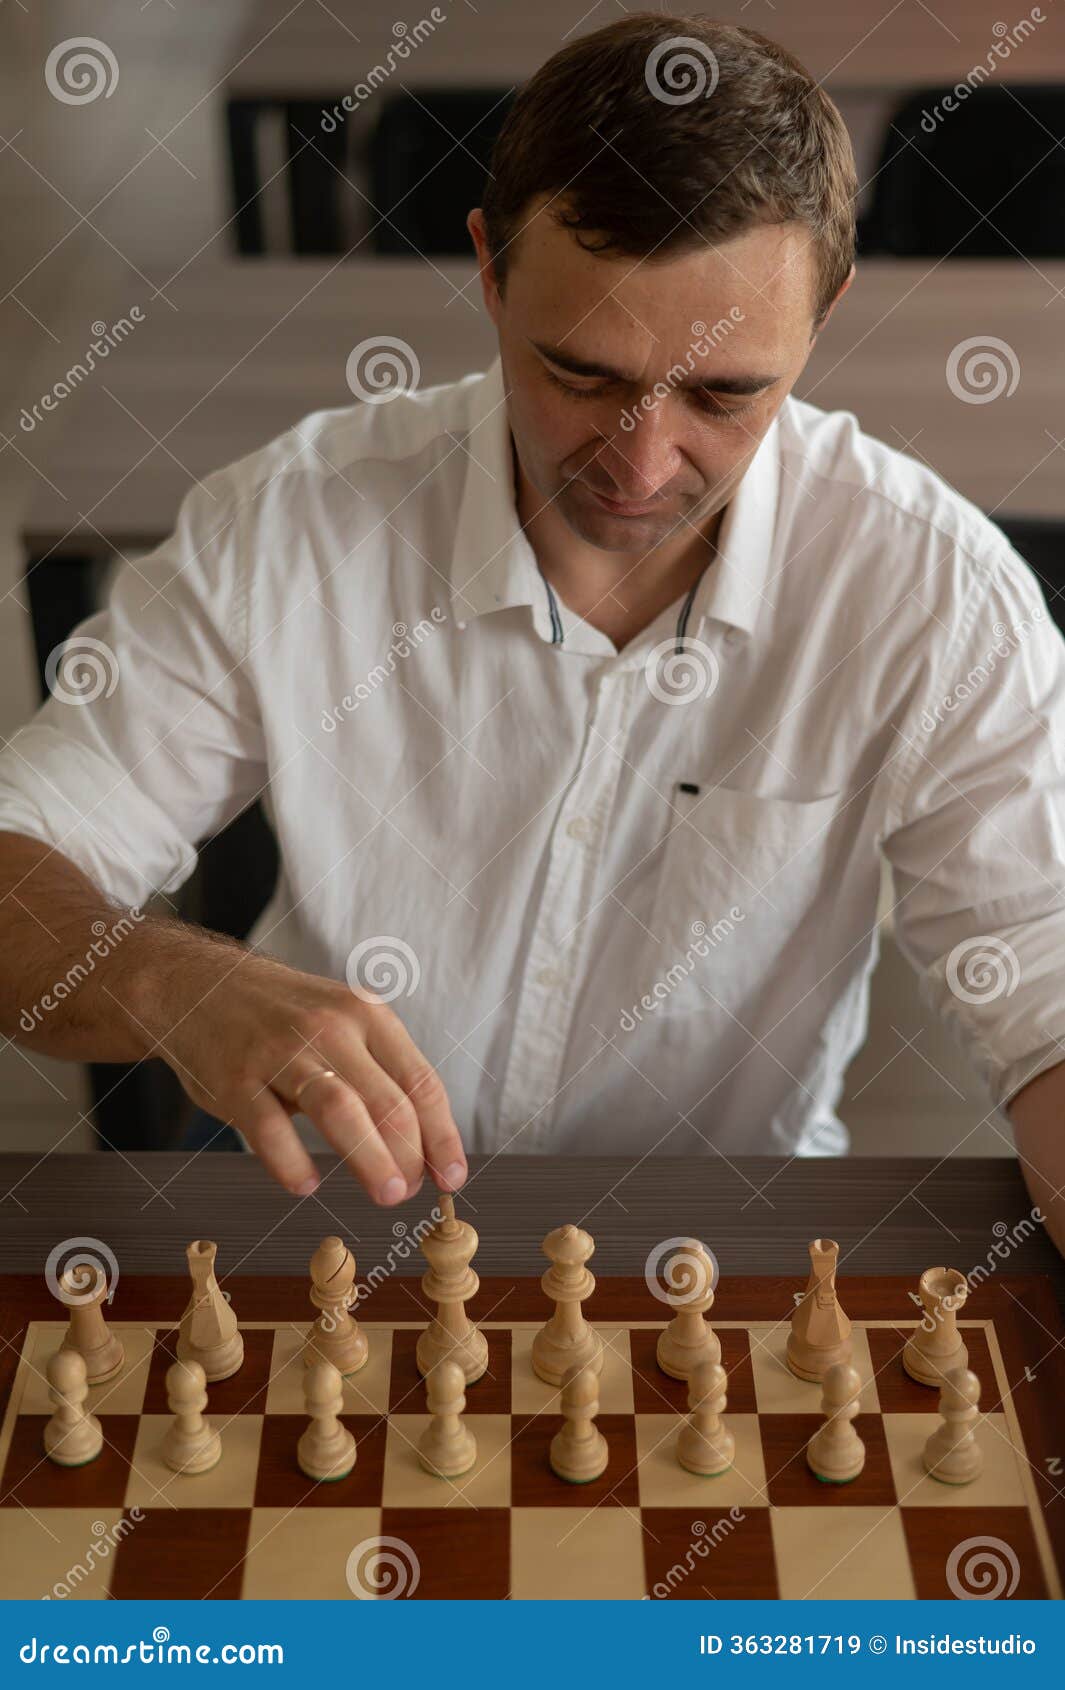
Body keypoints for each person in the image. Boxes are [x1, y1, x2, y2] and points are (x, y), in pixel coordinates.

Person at [0, 16, 1062, 1253]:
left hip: (714, 1240)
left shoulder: (933, 592)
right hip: (319, 1209)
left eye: (725, 393)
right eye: (582, 374)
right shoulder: (291, 526)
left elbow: (1043, 991)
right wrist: (173, 980)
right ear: (490, 275)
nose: (643, 464)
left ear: (822, 315)